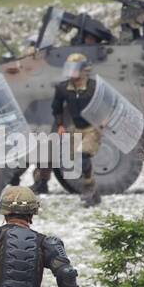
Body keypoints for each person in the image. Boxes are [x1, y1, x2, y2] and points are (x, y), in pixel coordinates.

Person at [35, 52, 101, 207]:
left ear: (84, 69)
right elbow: (56, 108)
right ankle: (41, 182)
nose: (73, 72)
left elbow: (106, 103)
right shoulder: (63, 88)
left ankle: (88, 189)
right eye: (70, 68)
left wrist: (103, 121)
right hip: (75, 128)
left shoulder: (94, 86)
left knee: (83, 157)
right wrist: (60, 125)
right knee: (52, 152)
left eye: (76, 68)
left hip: (91, 128)